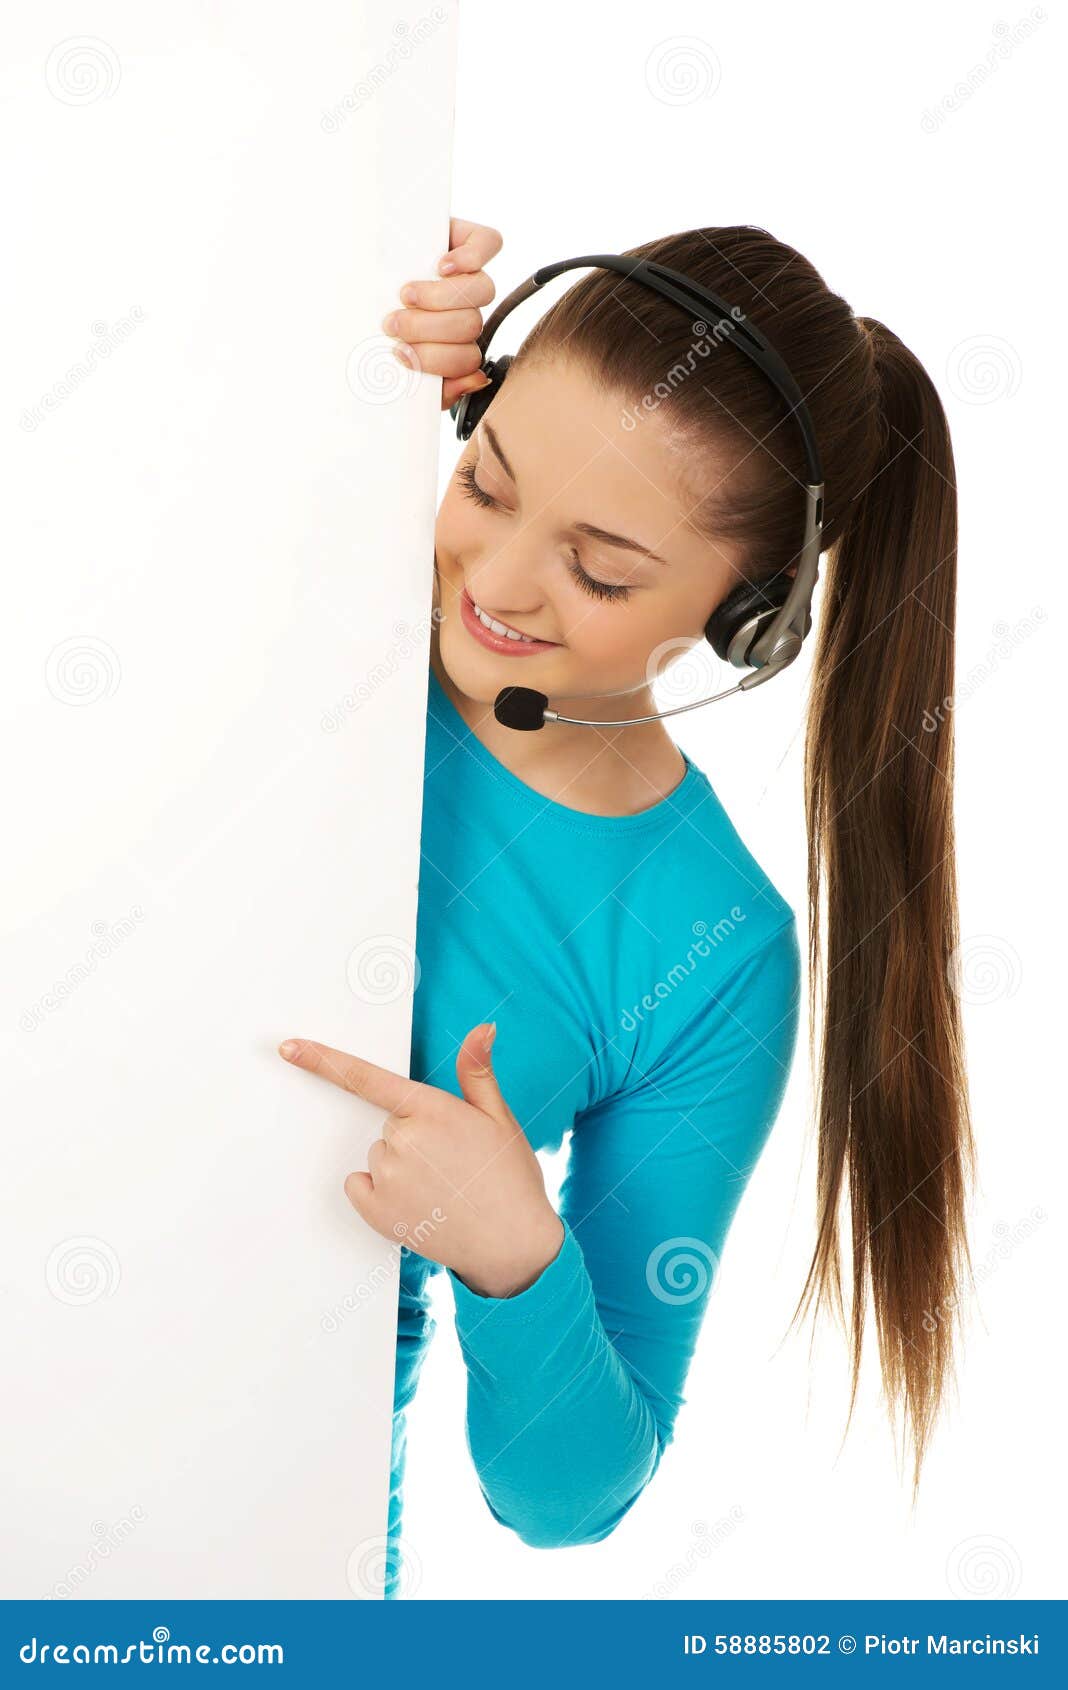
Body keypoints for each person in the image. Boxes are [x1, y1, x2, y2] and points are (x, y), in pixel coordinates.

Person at [278, 218, 974, 1599]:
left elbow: (569, 1496)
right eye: (484, 480)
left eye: (599, 572)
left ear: (753, 620)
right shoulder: (316, 587)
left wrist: (516, 1257)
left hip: (264, 1553)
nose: (494, 582)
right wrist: (328, 345)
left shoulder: (711, 953)